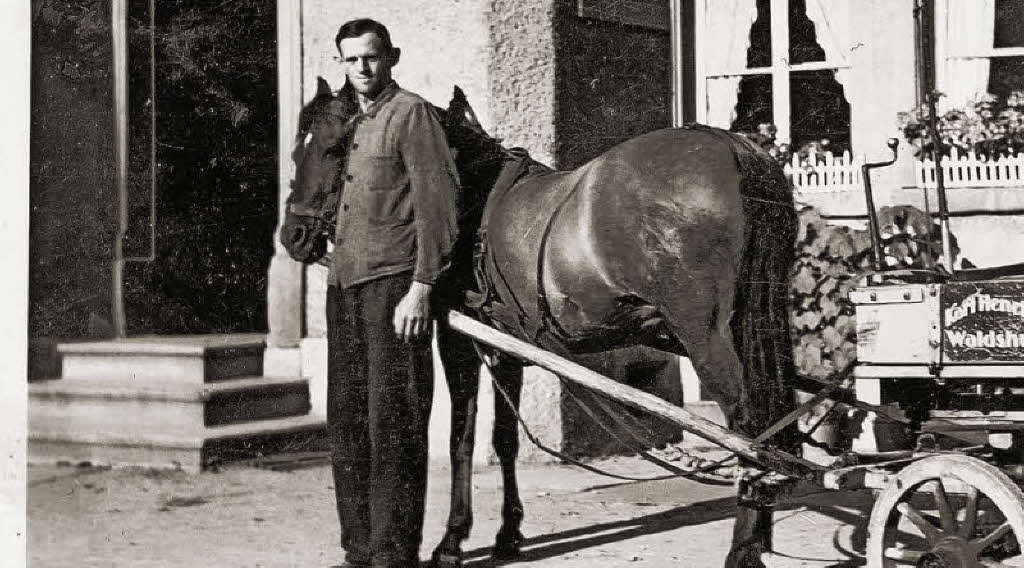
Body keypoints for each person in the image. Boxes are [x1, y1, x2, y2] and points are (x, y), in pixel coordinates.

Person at [324, 18, 461, 568]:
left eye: (372, 57)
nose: (362, 68)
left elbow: (440, 207)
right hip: (344, 289)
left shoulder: (412, 115)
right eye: (351, 59)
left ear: (392, 57)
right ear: (341, 63)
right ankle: (359, 550)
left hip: (394, 291)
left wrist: (423, 286)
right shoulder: (349, 122)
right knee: (349, 422)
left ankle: (394, 554)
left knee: (394, 424)